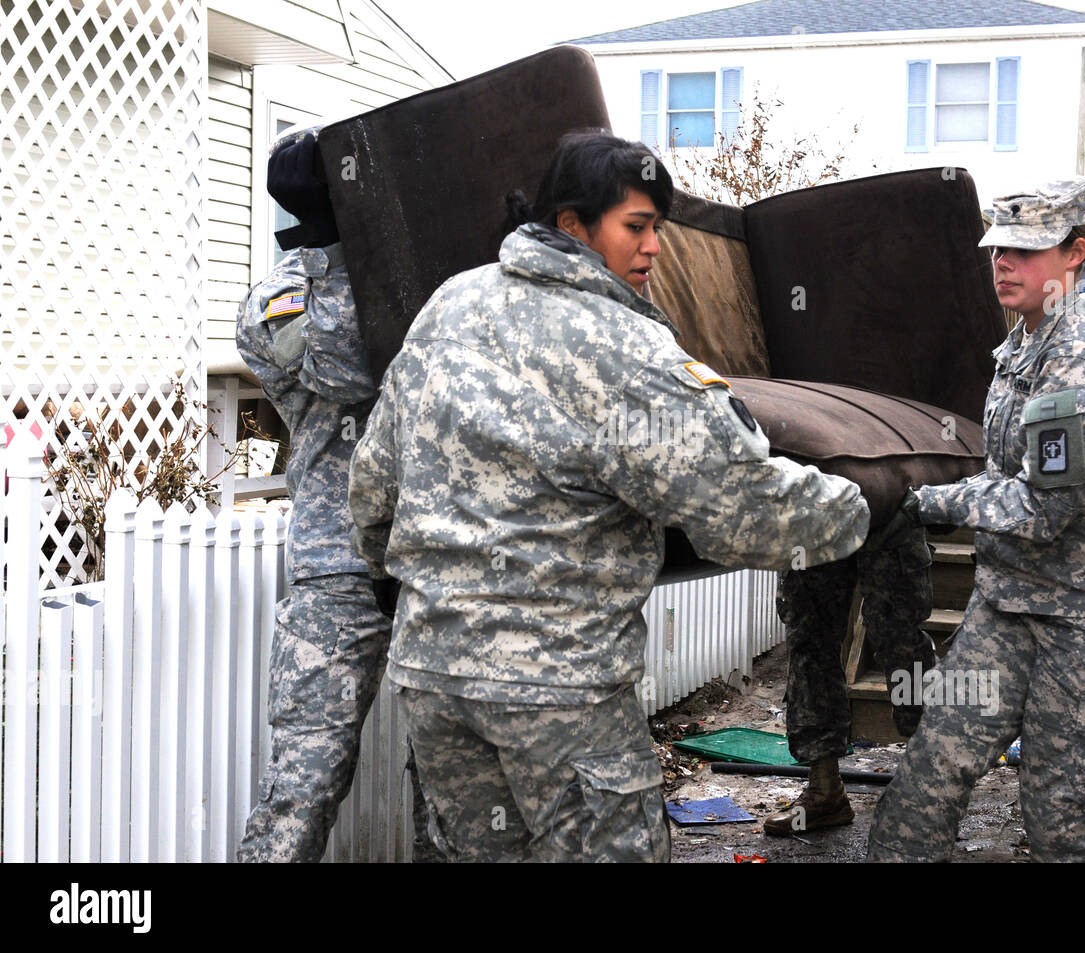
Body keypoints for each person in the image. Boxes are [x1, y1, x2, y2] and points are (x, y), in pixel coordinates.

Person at [348, 131, 873, 862]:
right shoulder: (623, 346)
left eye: (659, 225)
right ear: (572, 224)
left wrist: (396, 577)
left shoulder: (450, 306)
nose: (655, 246)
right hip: (558, 689)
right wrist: (862, 505)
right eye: (636, 226)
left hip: (436, 679)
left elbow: (373, 487)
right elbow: (743, 508)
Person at [866, 177, 1085, 862]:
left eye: (1024, 248)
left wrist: (919, 500)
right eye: (996, 248)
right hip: (1009, 602)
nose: (1003, 263)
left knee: (1060, 820)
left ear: (1075, 253)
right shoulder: (1022, 347)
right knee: (924, 781)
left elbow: (1041, 508)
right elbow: (1008, 473)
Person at [235, 126, 431, 863]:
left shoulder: (405, 277)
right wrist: (355, 249)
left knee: (450, 788)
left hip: (426, 560)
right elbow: (350, 361)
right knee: (304, 785)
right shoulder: (277, 301)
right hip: (337, 570)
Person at [763, 527, 935, 836]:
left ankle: (929, 789)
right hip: (816, 515)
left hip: (888, 511)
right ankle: (825, 790)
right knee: (809, 643)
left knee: (903, 643)